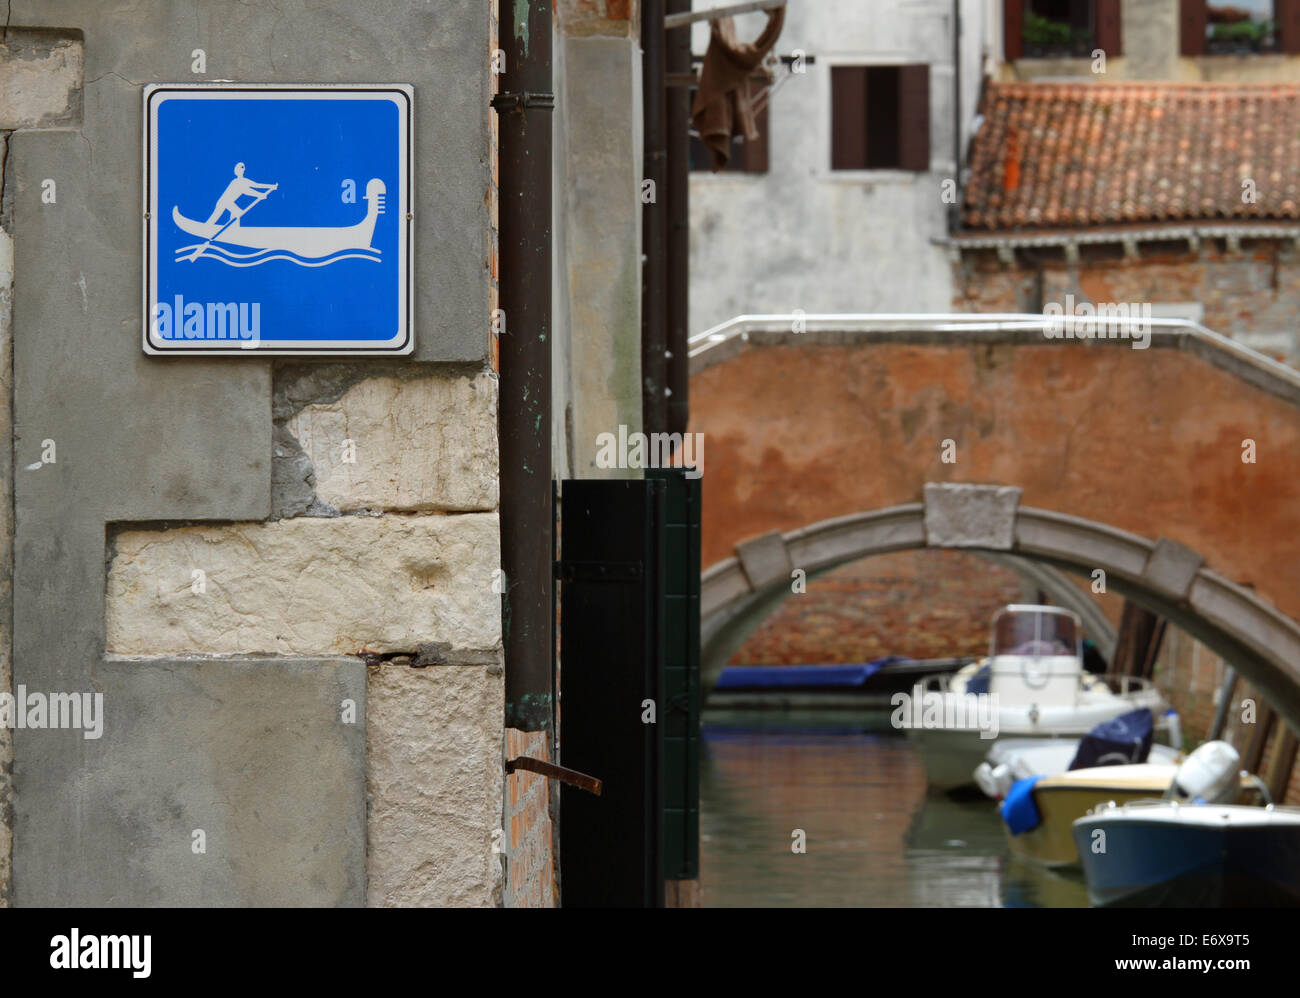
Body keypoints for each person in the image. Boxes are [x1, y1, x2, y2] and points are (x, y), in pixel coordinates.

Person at [205, 163, 277, 226]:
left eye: (242, 168)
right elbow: (246, 191)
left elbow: (257, 185)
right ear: (236, 171)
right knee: (218, 217)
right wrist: (259, 194)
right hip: (224, 202)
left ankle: (232, 229)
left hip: (228, 202)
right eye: (239, 168)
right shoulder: (236, 181)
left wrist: (272, 186)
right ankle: (207, 227)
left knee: (236, 213)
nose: (241, 170)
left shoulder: (245, 181)